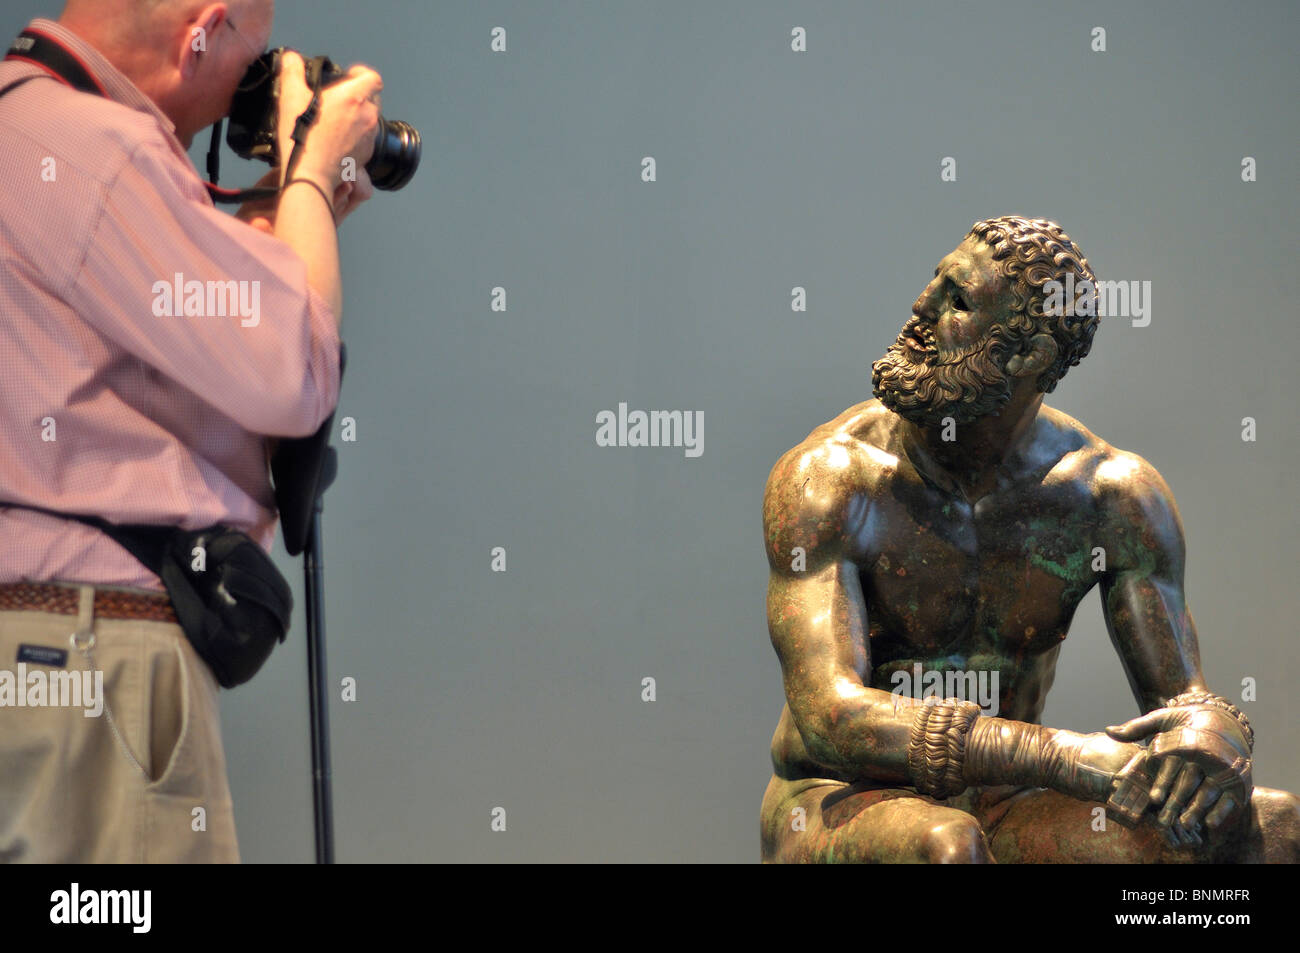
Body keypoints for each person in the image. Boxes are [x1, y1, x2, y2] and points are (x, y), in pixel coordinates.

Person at [759, 215, 1300, 862]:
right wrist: (1065, 757)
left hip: (1004, 801)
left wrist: (1215, 735)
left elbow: (1181, 701)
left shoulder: (1109, 496)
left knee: (1269, 829)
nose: (920, 305)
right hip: (838, 797)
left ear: (1027, 356)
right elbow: (829, 716)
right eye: (935, 280)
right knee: (948, 847)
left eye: (956, 299)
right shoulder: (833, 480)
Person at [0, 0, 382, 862]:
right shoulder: (100, 151)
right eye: (251, 50)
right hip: (92, 675)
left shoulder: (27, 131)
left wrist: (290, 219)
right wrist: (312, 171)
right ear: (201, 30)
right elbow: (292, 373)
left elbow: (181, 346)